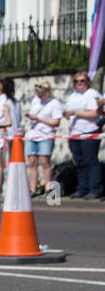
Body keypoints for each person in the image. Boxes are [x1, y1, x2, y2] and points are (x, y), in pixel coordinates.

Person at [63, 71, 103, 199]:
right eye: (77, 81)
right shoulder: (72, 96)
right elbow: (68, 112)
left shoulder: (92, 95)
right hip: (75, 132)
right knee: (79, 162)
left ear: (87, 82)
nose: (79, 83)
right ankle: (82, 188)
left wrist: (77, 112)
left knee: (90, 161)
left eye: (82, 81)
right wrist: (67, 114)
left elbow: (95, 114)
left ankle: (95, 189)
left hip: (89, 130)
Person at [24, 80, 62, 195]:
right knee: (32, 162)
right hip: (32, 134)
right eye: (37, 92)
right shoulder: (35, 100)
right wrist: (29, 116)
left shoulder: (55, 103)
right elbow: (33, 115)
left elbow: (56, 122)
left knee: (45, 162)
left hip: (46, 135)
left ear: (47, 92)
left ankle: (48, 188)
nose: (38, 95)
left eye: (41, 93)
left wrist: (39, 119)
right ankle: (33, 188)